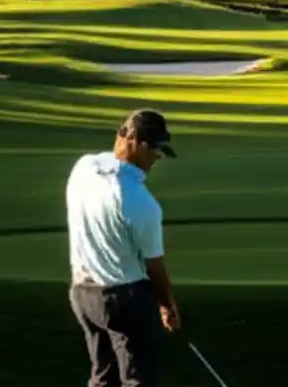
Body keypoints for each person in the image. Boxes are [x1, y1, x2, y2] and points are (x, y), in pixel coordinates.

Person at [66, 108, 181, 387]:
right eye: (155, 149)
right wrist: (167, 306)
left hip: (83, 294)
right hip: (124, 299)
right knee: (137, 380)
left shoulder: (84, 167)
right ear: (138, 144)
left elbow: (109, 159)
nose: (157, 157)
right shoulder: (139, 201)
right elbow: (155, 266)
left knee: (102, 378)